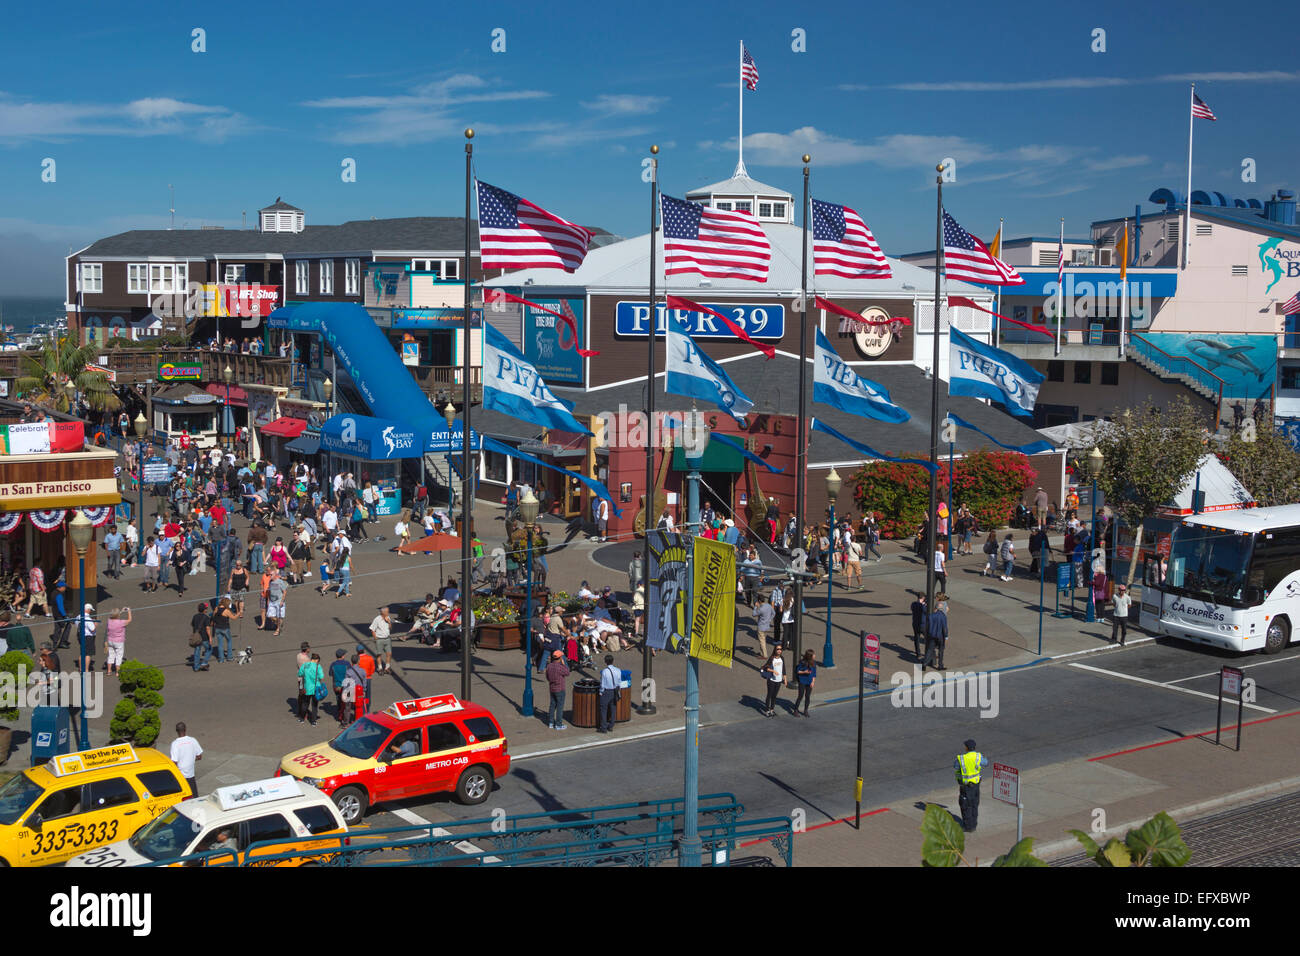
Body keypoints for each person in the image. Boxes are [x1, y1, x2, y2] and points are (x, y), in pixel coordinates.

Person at [954, 739, 989, 833]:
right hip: (976, 785)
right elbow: (986, 763)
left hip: (965, 786)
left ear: (966, 748)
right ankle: (974, 824)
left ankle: (968, 827)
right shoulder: (978, 756)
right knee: (974, 804)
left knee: (965, 805)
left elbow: (956, 766)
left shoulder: (962, 758)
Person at [170, 722, 203, 796]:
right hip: (191, 775)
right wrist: (190, 759)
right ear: (185, 729)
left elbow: (174, 762)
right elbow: (199, 756)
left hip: (181, 775)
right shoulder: (193, 740)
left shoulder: (175, 744)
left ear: (176, 731)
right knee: (194, 796)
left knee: (183, 797)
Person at [297, 652, 325, 726]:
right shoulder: (318, 666)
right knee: (314, 705)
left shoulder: (305, 665)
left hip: (307, 688)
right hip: (316, 688)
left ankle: (302, 718)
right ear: (316, 660)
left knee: (305, 704)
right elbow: (322, 676)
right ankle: (313, 721)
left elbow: (300, 674)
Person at [922, 595, 948, 673]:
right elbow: (945, 628)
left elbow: (928, 626)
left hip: (932, 635)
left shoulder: (931, 616)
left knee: (930, 650)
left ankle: (924, 663)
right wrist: (946, 636)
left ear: (936, 608)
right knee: (941, 650)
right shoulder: (943, 616)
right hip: (940, 636)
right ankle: (940, 665)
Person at [545, 649, 569, 730]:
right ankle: (558, 724)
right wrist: (564, 664)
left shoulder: (549, 666)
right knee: (560, 707)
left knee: (552, 705)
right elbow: (567, 672)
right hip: (560, 689)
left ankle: (551, 722)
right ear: (560, 658)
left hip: (552, 688)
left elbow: (547, 677)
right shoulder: (560, 667)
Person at [760, 643, 786, 717]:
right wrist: (773, 671)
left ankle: (772, 709)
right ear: (775, 650)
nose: (779, 651)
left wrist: (785, 678)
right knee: (769, 694)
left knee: (774, 696)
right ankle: (767, 710)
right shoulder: (772, 658)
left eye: (780, 649)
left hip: (779, 680)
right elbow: (765, 668)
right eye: (778, 649)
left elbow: (783, 669)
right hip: (771, 680)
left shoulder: (782, 658)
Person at [211, 597, 240, 663]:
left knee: (220, 644)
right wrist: (238, 613)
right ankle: (229, 657)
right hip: (225, 628)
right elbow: (234, 618)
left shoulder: (216, 608)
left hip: (217, 628)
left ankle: (221, 659)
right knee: (229, 641)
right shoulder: (226, 610)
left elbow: (213, 616)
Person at [597, 654, 621, 732]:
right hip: (614, 691)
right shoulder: (618, 670)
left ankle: (603, 727)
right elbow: (619, 682)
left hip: (606, 692)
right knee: (613, 709)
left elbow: (602, 684)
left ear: (605, 662)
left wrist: (600, 692)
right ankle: (611, 726)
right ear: (613, 661)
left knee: (603, 709)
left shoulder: (605, 671)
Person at [104, 608, 130, 676]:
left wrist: (120, 611)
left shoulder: (109, 621)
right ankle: (117, 672)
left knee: (111, 655)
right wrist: (129, 612)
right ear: (118, 615)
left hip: (110, 641)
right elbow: (129, 620)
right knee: (119, 656)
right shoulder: (121, 622)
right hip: (119, 642)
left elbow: (114, 615)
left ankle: (109, 671)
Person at [370, 607, 394, 674]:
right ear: (383, 612)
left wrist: (389, 622)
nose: (388, 613)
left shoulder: (388, 617)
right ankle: (380, 668)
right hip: (379, 639)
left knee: (389, 653)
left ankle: (387, 668)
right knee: (379, 654)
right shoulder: (377, 619)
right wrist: (376, 638)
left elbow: (390, 628)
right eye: (387, 612)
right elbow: (372, 629)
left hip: (387, 638)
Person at [793, 650, 816, 717]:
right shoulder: (803, 663)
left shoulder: (814, 663)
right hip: (802, 681)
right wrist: (804, 672)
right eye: (813, 655)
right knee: (800, 696)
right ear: (810, 656)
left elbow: (814, 674)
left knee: (807, 696)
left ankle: (806, 710)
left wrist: (813, 682)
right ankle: (795, 710)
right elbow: (798, 671)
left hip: (809, 682)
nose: (815, 656)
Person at [265, 569, 287, 637]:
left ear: (275, 575)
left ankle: (277, 629)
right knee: (270, 615)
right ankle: (279, 623)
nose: (270, 576)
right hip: (272, 601)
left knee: (279, 616)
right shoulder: (270, 582)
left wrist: (282, 601)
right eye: (269, 575)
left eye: (271, 575)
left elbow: (284, 592)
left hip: (279, 601)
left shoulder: (280, 582)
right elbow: (269, 591)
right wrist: (268, 600)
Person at [190, 603, 212, 672]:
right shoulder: (206, 617)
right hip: (204, 637)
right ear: (204, 610)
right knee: (209, 649)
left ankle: (196, 667)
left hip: (197, 637)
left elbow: (192, 624)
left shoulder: (195, 616)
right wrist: (210, 637)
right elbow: (208, 628)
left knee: (197, 651)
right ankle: (204, 663)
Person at [754, 591, 775, 660]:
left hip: (761, 626)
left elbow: (754, 614)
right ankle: (762, 652)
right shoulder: (768, 606)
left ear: (759, 601)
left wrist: (755, 607)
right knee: (763, 639)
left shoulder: (761, 609)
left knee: (762, 641)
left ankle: (764, 655)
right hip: (767, 625)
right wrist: (769, 619)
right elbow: (773, 613)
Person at [909, 592, 927, 662]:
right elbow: (926, 612)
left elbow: (912, 609)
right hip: (922, 625)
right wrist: (924, 605)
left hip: (915, 624)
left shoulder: (913, 604)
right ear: (923, 598)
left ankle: (918, 654)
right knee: (927, 639)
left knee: (917, 638)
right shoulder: (923, 606)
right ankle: (927, 653)